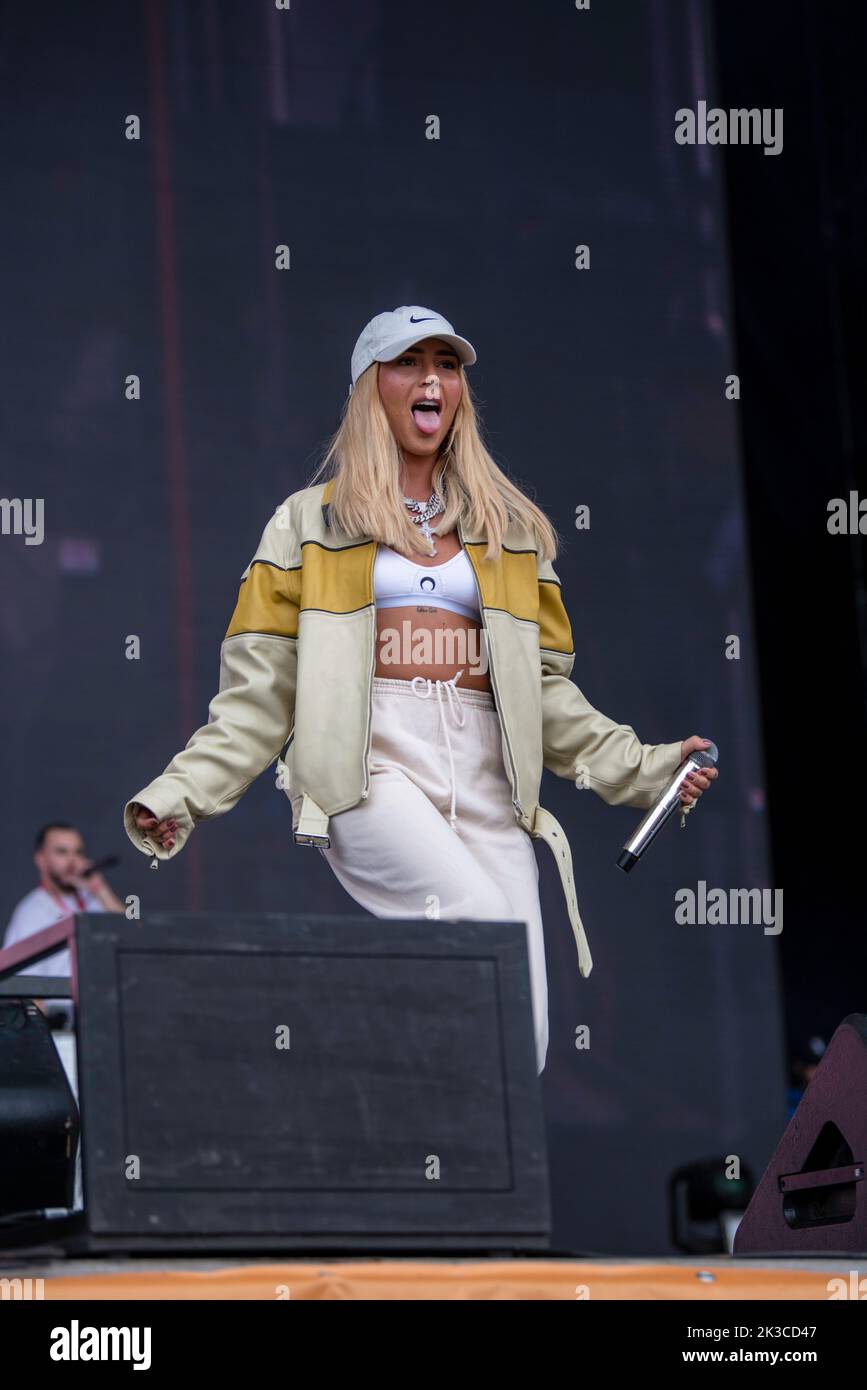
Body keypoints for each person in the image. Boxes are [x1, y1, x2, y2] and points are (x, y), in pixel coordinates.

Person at [124, 304, 717, 1074]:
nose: (430, 378)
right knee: (476, 940)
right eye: (407, 362)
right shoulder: (307, 523)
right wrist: (182, 792)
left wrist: (647, 769)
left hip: (488, 778)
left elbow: (546, 695)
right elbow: (259, 690)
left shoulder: (510, 532)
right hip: (368, 766)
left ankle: (431, 1161)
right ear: (371, 388)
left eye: (445, 364)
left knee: (523, 1033)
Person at [3, 822, 125, 1027]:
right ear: (41, 860)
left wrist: (101, 889)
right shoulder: (32, 910)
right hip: (63, 1030)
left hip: (107, 1020)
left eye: (78, 852)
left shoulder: (94, 900)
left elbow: (134, 930)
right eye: (62, 852)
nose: (73, 861)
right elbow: (21, 987)